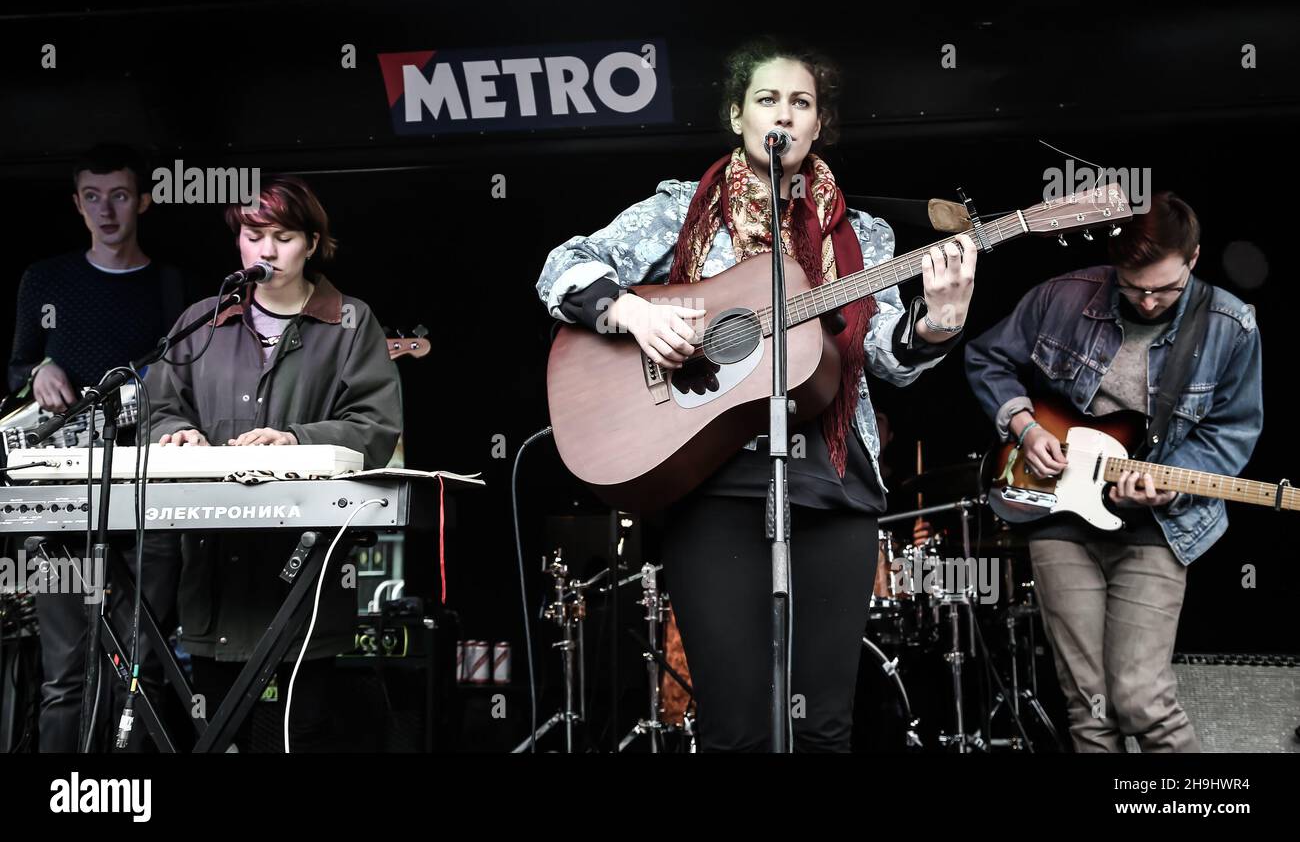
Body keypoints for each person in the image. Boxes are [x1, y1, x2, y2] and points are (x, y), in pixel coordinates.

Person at [536, 39, 977, 751]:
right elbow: (564, 268)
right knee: (735, 726)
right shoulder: (680, 210)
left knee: (825, 725)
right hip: (715, 485)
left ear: (817, 124)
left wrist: (936, 327)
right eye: (767, 99)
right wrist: (635, 314)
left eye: (800, 103)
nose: (783, 114)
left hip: (837, 490)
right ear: (738, 115)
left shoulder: (865, 234)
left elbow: (888, 359)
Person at [964, 191, 1263, 752]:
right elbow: (986, 357)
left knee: (1143, 701)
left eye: (1165, 289)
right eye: (1133, 287)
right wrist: (1026, 428)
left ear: (1194, 259)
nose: (1149, 302)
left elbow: (1233, 431)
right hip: (1058, 511)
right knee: (1089, 708)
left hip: (1157, 526)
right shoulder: (1063, 295)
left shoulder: (1230, 324)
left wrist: (1166, 482)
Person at [145, 175, 402, 751]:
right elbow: (159, 410)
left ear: (312, 243)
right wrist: (176, 433)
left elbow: (375, 428)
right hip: (212, 583)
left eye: (283, 236)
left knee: (297, 732)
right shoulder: (199, 321)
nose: (266, 250)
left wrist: (295, 439)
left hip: (303, 587)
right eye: (253, 234)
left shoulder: (352, 322)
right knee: (215, 731)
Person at [6, 143, 184, 752]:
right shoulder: (46, 279)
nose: (106, 211)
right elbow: (17, 366)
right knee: (65, 676)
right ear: (77, 204)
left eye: (118, 196)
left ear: (142, 202)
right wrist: (35, 375)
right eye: (92, 197)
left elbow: (184, 375)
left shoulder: (168, 284)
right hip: (58, 491)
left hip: (144, 491)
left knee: (144, 672)